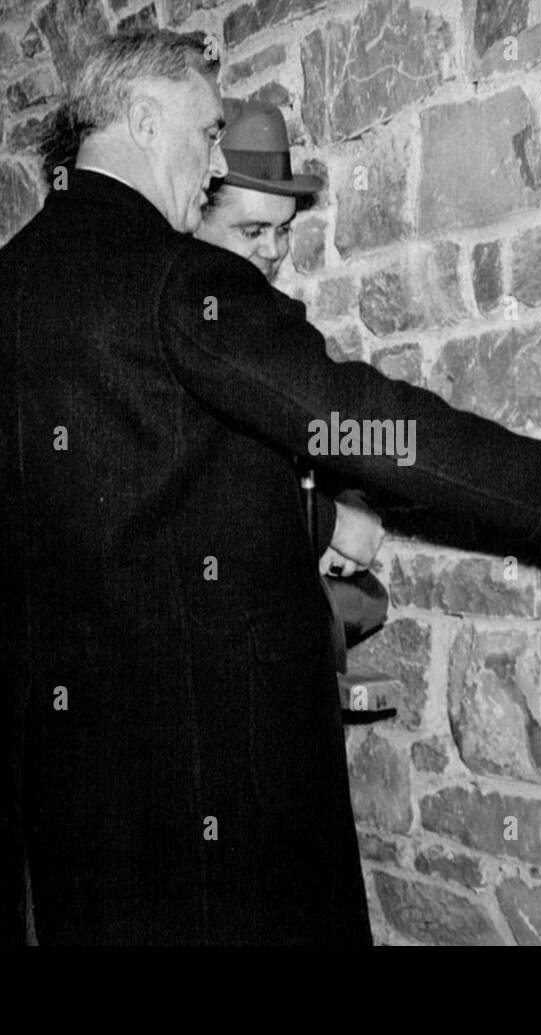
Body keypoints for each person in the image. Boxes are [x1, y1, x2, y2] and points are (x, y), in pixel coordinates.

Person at [0, 28, 541, 946]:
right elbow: (358, 418)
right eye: (208, 132)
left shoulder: (0, 289)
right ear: (143, 119)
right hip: (215, 767)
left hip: (68, 781)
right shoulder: (180, 278)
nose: (214, 163)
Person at [195, 97, 388, 666]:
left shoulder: (277, 322)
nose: (274, 251)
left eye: (283, 230)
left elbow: (322, 430)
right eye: (252, 229)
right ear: (194, 212)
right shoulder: (187, 324)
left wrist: (346, 495)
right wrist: (325, 523)